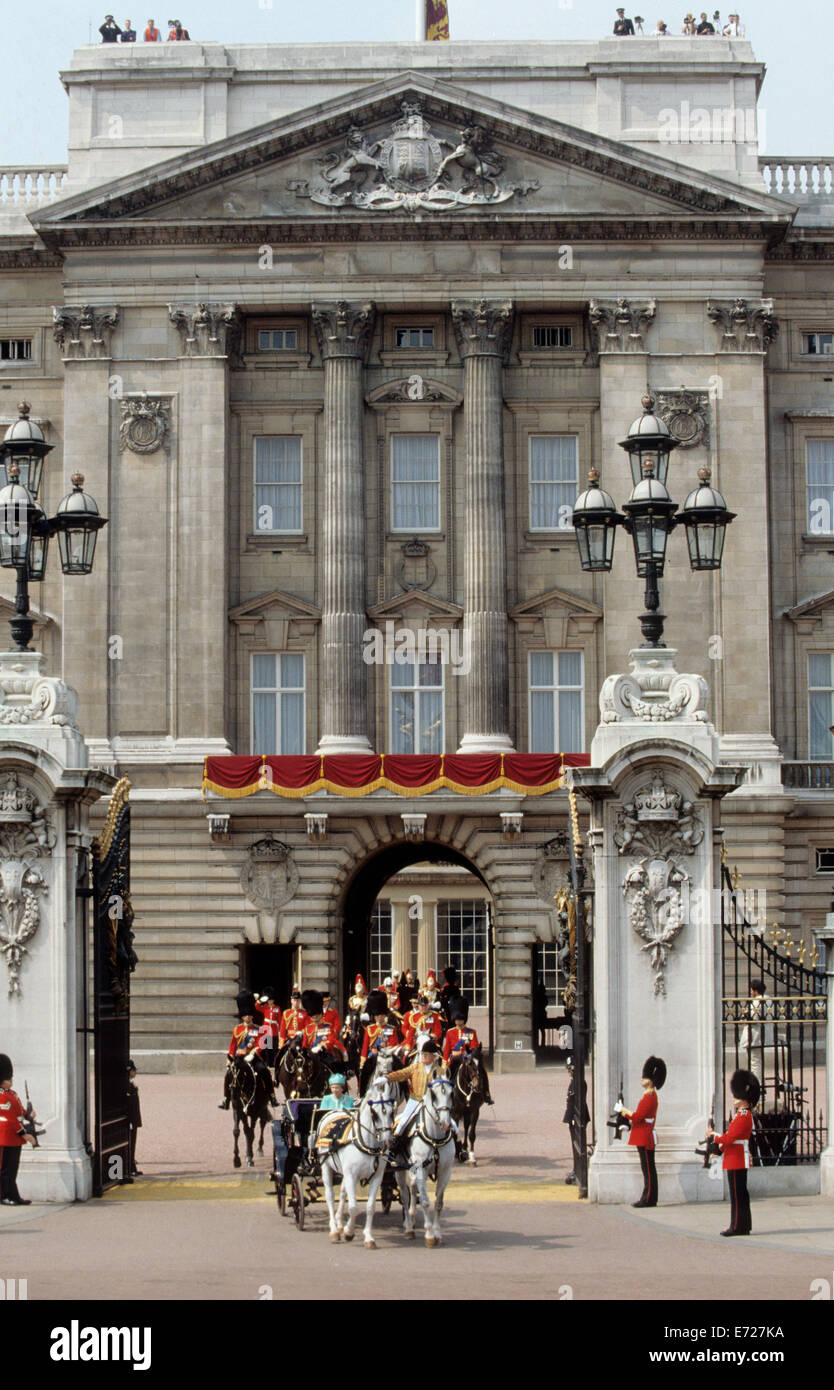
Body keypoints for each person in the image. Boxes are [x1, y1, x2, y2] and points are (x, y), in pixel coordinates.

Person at [708, 1069, 759, 1236]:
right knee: (739, 1194)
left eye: (736, 1095)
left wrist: (714, 1137)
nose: (733, 1098)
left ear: (744, 1098)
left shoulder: (744, 1116)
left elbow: (730, 1137)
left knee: (737, 1194)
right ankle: (743, 1225)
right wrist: (719, 1150)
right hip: (734, 1157)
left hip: (737, 1159)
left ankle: (737, 1226)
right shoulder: (741, 1115)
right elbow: (731, 1138)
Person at [386, 1039, 447, 1162]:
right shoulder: (415, 1067)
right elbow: (401, 1073)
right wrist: (386, 1078)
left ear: (433, 1056)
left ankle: (458, 1147)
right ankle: (394, 1148)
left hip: (432, 1104)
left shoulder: (440, 1071)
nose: (423, 1056)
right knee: (403, 1122)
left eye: (426, 1054)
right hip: (415, 1101)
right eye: (422, 1054)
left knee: (451, 1124)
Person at [618, 1055, 666, 1208]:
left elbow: (638, 1117)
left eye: (645, 1077)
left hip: (645, 1136)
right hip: (643, 1134)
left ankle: (649, 1198)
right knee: (647, 1168)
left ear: (650, 1080)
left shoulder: (649, 1097)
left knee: (648, 1168)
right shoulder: (648, 1096)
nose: (642, 1079)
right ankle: (649, 1197)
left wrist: (622, 1110)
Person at [219, 989, 277, 1109]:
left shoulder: (259, 1029)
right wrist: (229, 1058)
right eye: (245, 1015)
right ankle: (226, 1100)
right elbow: (233, 1046)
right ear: (242, 1016)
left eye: (250, 1015)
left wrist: (253, 1053)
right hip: (240, 1058)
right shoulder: (237, 1029)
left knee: (264, 1071)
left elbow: (262, 1045)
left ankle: (272, 1097)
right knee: (229, 1075)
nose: (248, 1017)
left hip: (253, 1058)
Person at [0, 1054, 36, 1205]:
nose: (11, 1081)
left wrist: (28, 1114)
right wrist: (25, 1134)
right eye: (8, 1079)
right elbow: (10, 1119)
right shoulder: (2, 1097)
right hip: (6, 1137)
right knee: (5, 1170)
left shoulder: (12, 1094)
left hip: (15, 1138)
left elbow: (19, 1112)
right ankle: (4, 1196)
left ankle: (14, 1195)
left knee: (13, 1169)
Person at [443, 998, 493, 1104]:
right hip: (454, 1059)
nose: (458, 1021)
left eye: (460, 1019)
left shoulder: (471, 1032)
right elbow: (447, 1049)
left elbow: (474, 1047)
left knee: (482, 1072)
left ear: (464, 1019)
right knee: (447, 1075)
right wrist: (444, 1062)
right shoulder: (450, 1032)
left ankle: (486, 1094)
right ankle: (446, 1096)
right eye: (457, 1019)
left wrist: (469, 1053)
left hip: (467, 1059)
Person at [563, 1056, 590, 1186]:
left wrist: (574, 1118)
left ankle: (579, 1169)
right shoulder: (574, 1082)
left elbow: (578, 1102)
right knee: (575, 1145)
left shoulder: (579, 1083)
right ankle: (576, 1168)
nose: (568, 1071)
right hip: (572, 1117)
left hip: (576, 1117)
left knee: (578, 1145)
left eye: (570, 1069)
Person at [126, 1060, 142, 1178]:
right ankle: (129, 1167)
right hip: (130, 1119)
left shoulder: (130, 1084)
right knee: (130, 1143)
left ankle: (131, 1166)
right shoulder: (128, 1086)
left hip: (133, 1119)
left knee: (132, 1143)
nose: (135, 1072)